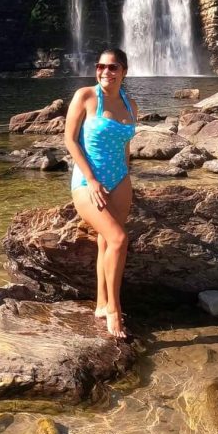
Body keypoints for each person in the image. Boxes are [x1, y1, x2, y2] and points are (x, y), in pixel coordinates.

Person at [64, 48, 137, 339]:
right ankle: (115, 311)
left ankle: (101, 303)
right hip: (87, 181)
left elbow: (127, 145)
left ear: (124, 71)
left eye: (113, 67)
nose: (106, 71)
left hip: (120, 180)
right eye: (101, 66)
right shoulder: (85, 96)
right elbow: (70, 140)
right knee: (119, 239)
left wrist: (127, 173)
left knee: (106, 241)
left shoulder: (130, 103)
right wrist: (92, 180)